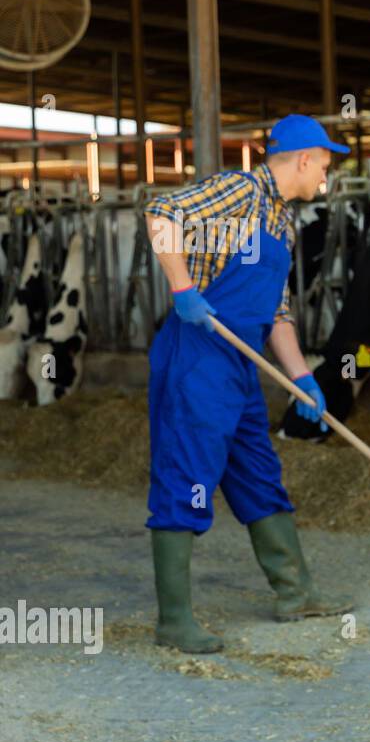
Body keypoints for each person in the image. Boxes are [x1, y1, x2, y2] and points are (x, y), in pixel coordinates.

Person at [143, 114, 353, 654]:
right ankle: (174, 621)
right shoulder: (239, 191)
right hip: (196, 356)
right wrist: (182, 287)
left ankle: (295, 592)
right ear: (304, 158)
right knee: (187, 472)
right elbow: (162, 211)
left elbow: (276, 311)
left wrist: (301, 376)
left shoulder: (280, 220)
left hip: (241, 364)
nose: (323, 179)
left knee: (259, 472)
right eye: (324, 167)